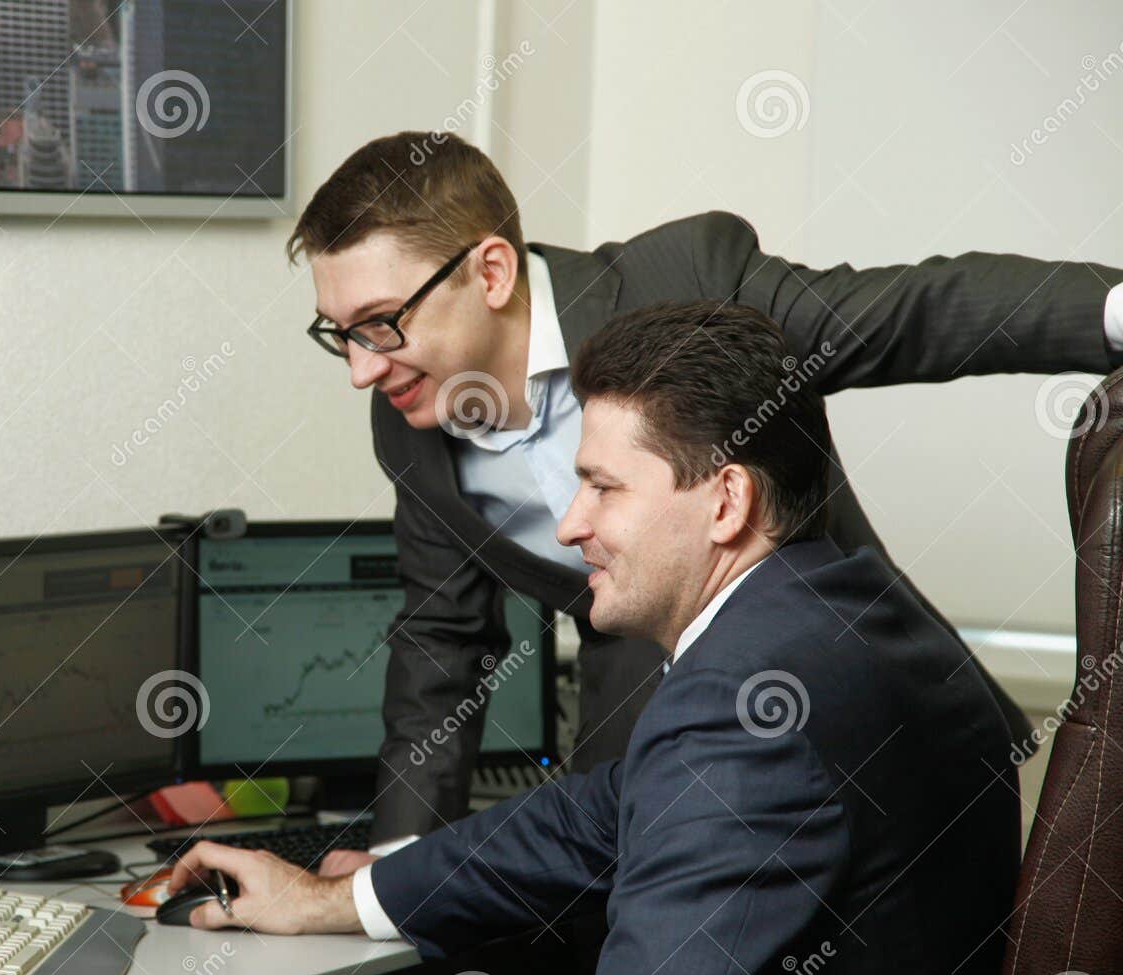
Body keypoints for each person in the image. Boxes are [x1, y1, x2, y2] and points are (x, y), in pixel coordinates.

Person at [171, 303, 1022, 975]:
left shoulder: (740, 707)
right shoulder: (860, 611)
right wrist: (336, 897)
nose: (571, 525)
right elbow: (593, 817)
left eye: (602, 487)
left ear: (726, 501)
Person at [291, 132, 1121, 870]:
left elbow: (913, 314)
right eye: (340, 337)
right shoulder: (407, 422)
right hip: (642, 755)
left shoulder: (678, 281)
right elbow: (443, 636)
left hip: (858, 735)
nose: (363, 369)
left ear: (492, 271)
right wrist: (397, 864)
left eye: (379, 323)